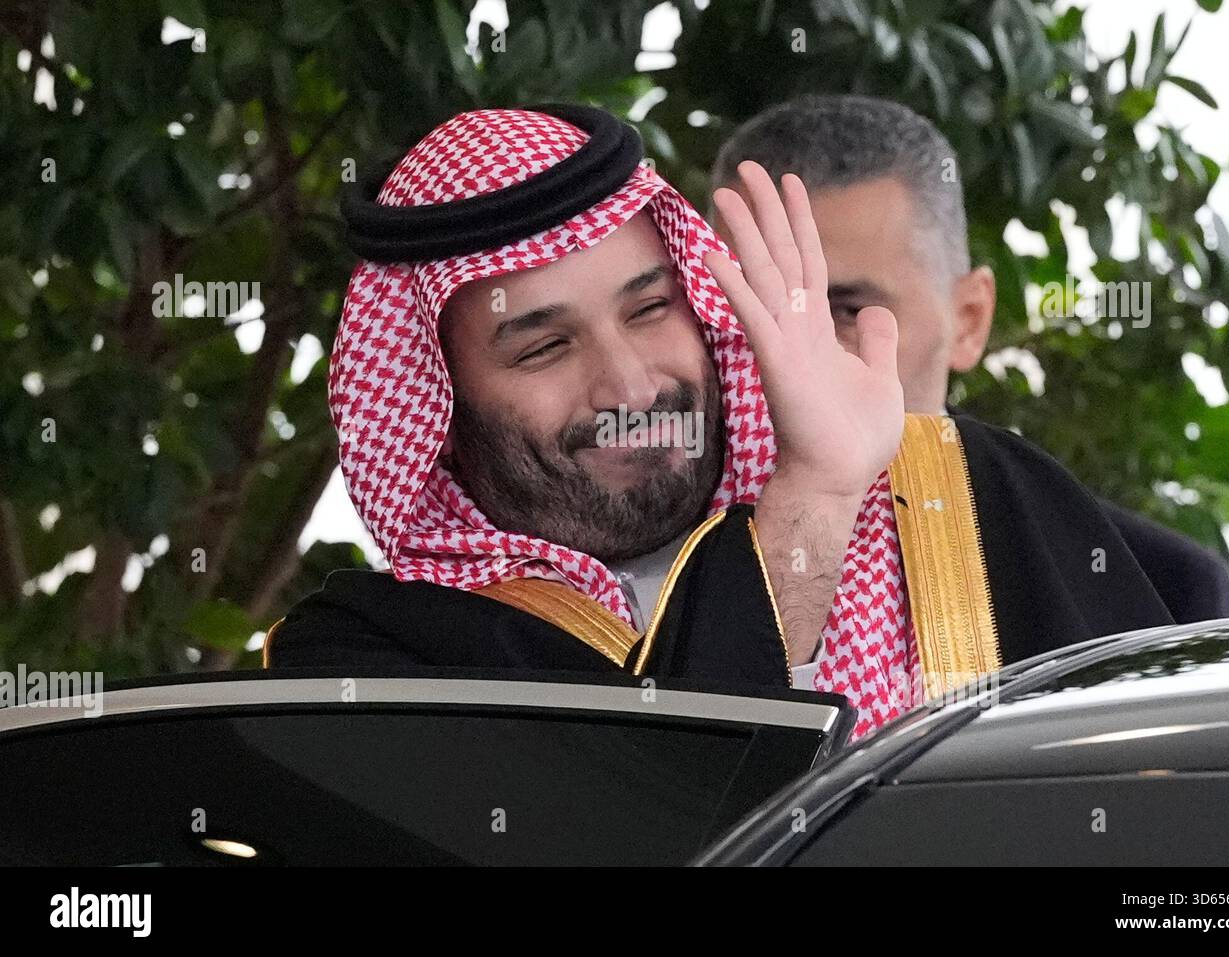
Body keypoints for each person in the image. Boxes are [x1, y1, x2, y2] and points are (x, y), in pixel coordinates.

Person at [266, 104, 1175, 739]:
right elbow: (674, 815)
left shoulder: (977, 500)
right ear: (438, 414)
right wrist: (814, 499)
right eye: (543, 347)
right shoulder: (369, 656)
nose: (629, 387)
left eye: (650, 308)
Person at [710, 93, 1229, 633]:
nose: (786, 354)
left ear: (968, 318)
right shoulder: (642, 564)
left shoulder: (1161, 592)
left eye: (845, 311)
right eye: (747, 308)